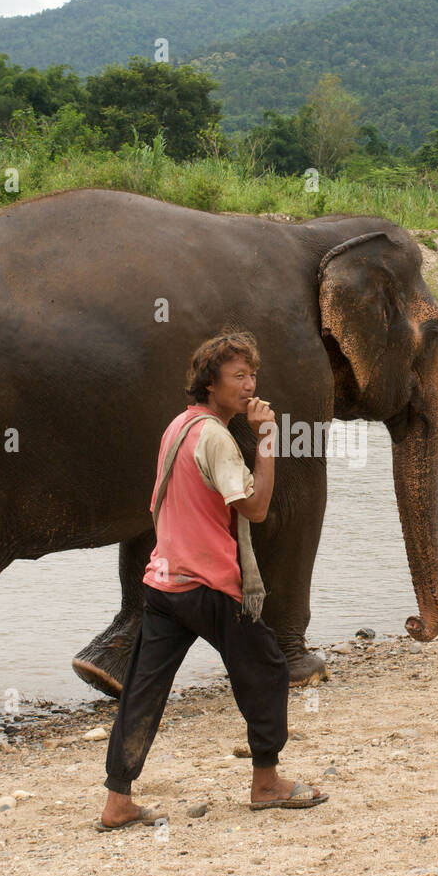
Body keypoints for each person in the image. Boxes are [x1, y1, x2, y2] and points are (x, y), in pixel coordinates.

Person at [98, 330, 328, 831]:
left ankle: (118, 801)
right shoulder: (218, 437)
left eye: (253, 375)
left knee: (142, 688)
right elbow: (258, 508)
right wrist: (266, 442)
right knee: (267, 669)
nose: (249, 386)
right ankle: (266, 784)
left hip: (163, 582)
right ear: (209, 384)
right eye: (237, 377)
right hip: (209, 585)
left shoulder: (177, 427)